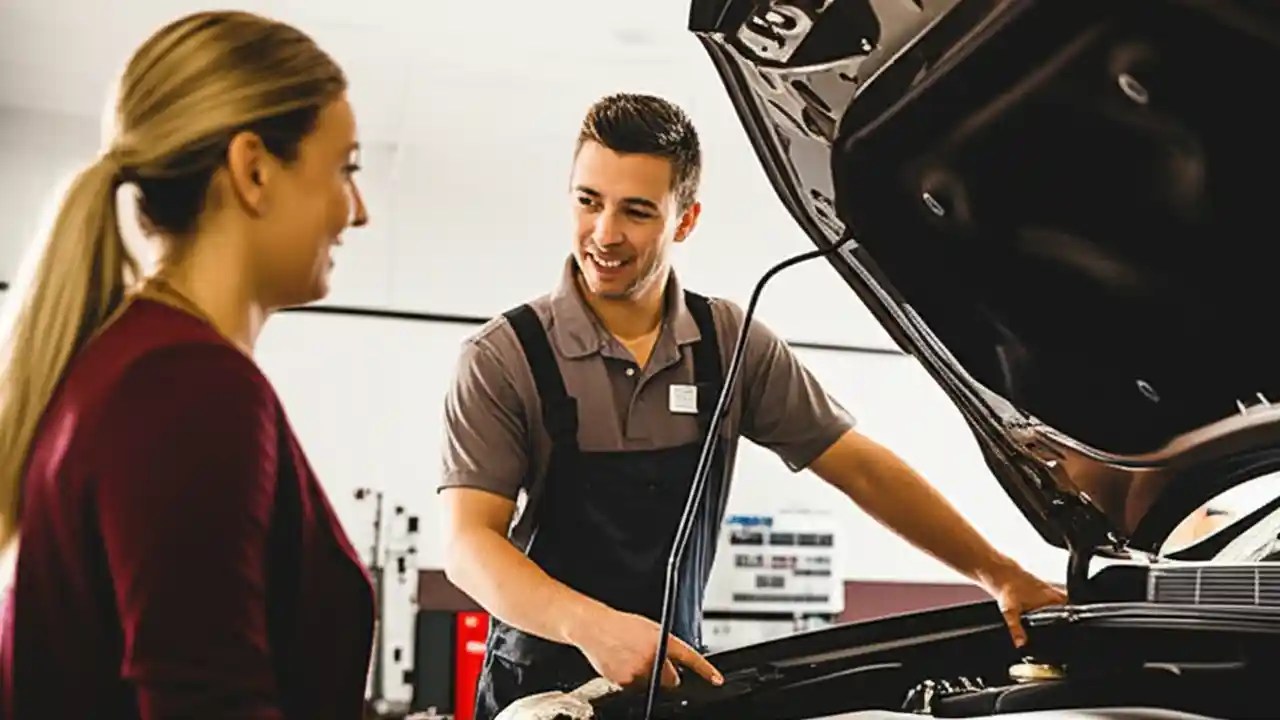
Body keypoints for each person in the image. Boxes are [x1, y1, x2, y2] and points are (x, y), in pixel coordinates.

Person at [439, 92, 1067, 720]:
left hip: (674, 685)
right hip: (536, 694)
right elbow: (470, 545)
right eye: (588, 201)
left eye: (636, 211)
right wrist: (591, 626)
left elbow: (862, 468)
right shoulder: (504, 356)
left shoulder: (729, 347)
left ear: (684, 221)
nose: (605, 233)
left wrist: (998, 572)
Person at [0, 10, 373, 719]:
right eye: (344, 169)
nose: (357, 212)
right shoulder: (189, 390)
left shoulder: (135, 365)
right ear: (254, 170)